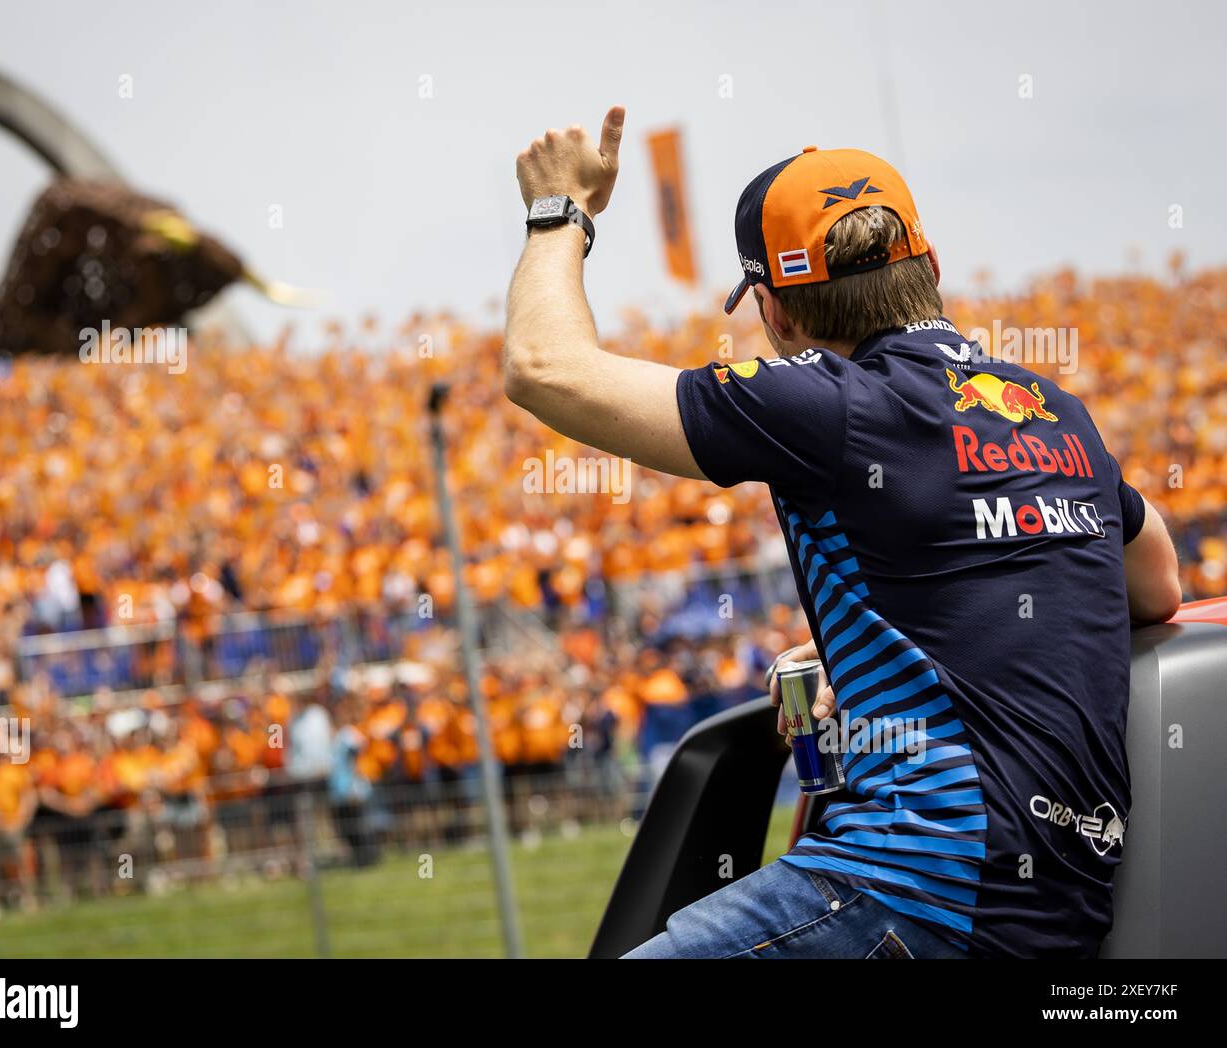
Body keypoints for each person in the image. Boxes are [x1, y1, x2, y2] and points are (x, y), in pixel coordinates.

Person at [504, 108, 1182, 958]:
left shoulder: (825, 404)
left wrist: (558, 211)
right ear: (931, 266)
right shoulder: (1059, 415)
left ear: (778, 316)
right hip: (1057, 914)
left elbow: (542, 368)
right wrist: (900, 652)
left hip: (914, 886)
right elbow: (1155, 584)